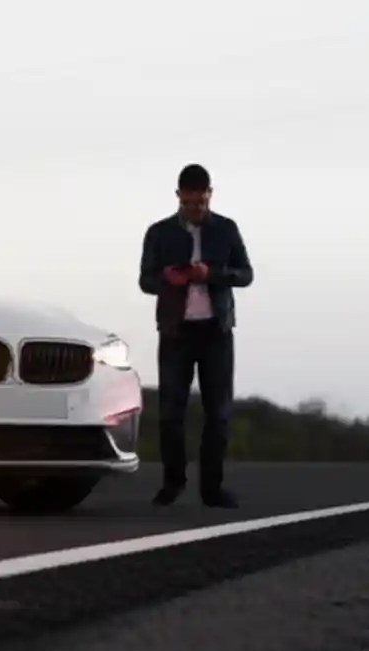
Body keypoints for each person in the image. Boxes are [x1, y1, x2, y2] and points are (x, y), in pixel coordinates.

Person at [138, 164, 254, 508]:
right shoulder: (159, 232)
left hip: (216, 330)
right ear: (178, 196)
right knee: (170, 413)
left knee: (218, 412)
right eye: (188, 203)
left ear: (210, 195)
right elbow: (145, 280)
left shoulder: (226, 229)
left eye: (200, 203)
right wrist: (168, 279)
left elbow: (246, 274)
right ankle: (172, 482)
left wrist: (212, 274)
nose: (195, 209)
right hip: (176, 331)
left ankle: (212, 489)